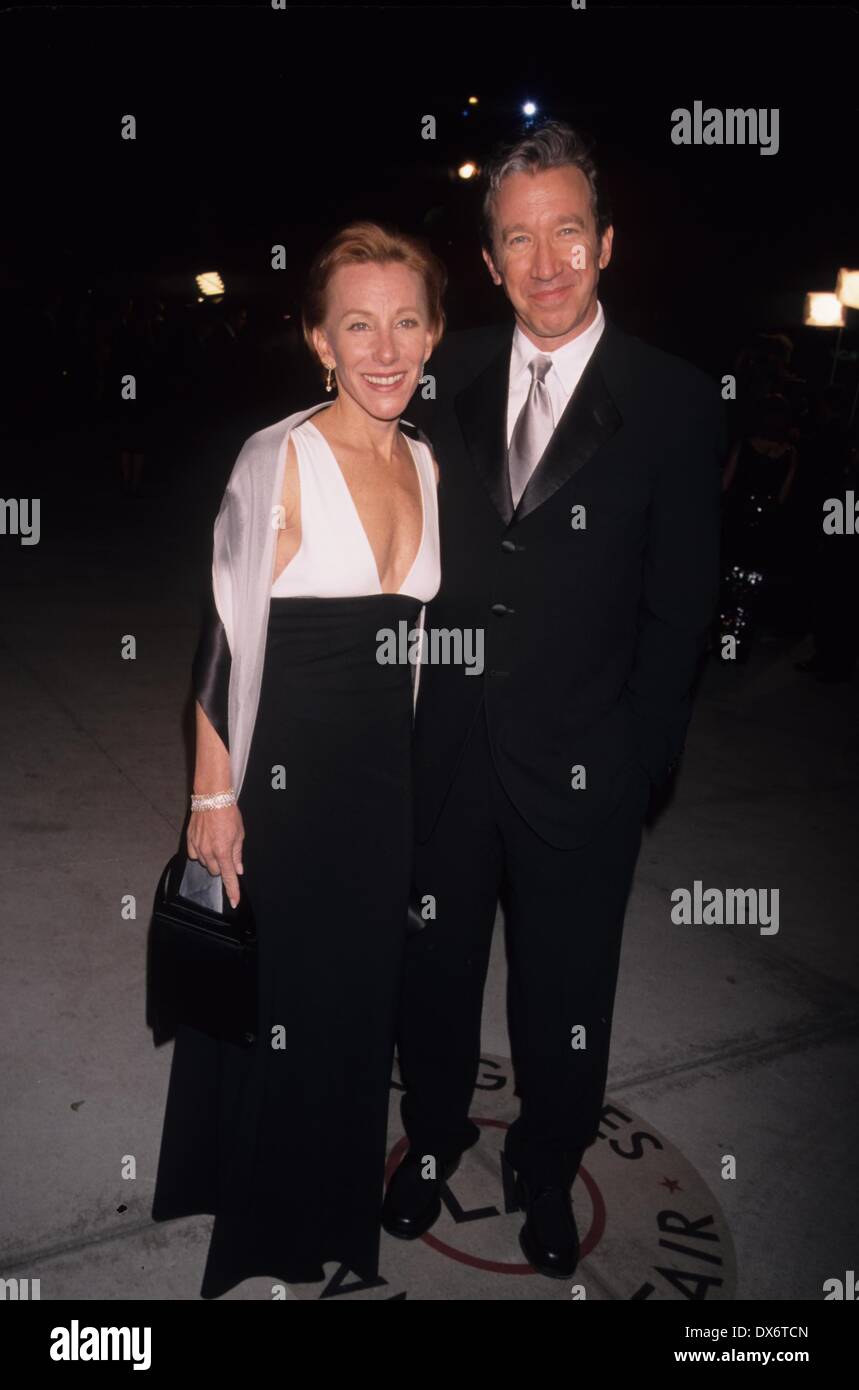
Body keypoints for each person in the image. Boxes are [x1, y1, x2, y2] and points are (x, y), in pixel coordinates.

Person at [382, 121, 726, 1278]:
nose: (545, 263)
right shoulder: (445, 375)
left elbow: (681, 606)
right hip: (447, 755)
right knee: (431, 972)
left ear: (607, 241)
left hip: (585, 758)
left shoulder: (672, 402)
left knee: (565, 992)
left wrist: (640, 759)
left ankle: (543, 1163)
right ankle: (428, 1143)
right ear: (486, 260)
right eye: (517, 240)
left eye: (567, 233)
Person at [151, 222, 444, 1298]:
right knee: (278, 995)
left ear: (435, 333)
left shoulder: (425, 459)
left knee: (358, 1010)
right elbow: (222, 632)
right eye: (356, 322)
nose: (383, 346)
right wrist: (212, 793)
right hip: (285, 778)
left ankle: (336, 1216)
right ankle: (269, 1230)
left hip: (383, 786)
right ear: (319, 339)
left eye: (405, 320)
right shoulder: (278, 457)